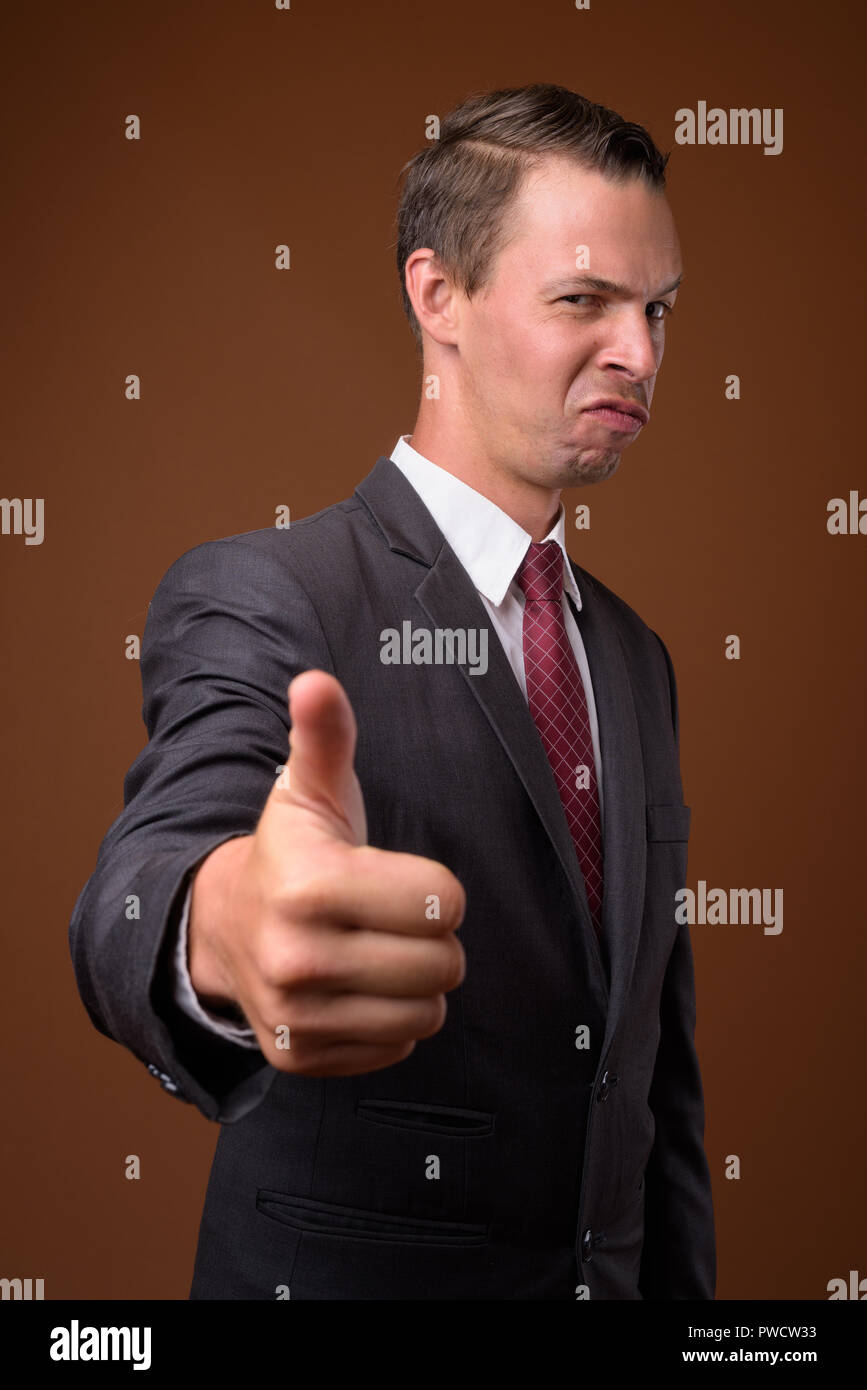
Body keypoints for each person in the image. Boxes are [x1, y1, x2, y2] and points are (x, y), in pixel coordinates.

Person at [69, 82, 716, 1300]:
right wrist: (218, 931)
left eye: (657, 308)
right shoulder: (267, 593)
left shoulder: (635, 659)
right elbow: (144, 882)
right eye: (585, 299)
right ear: (439, 296)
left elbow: (651, 1080)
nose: (638, 350)